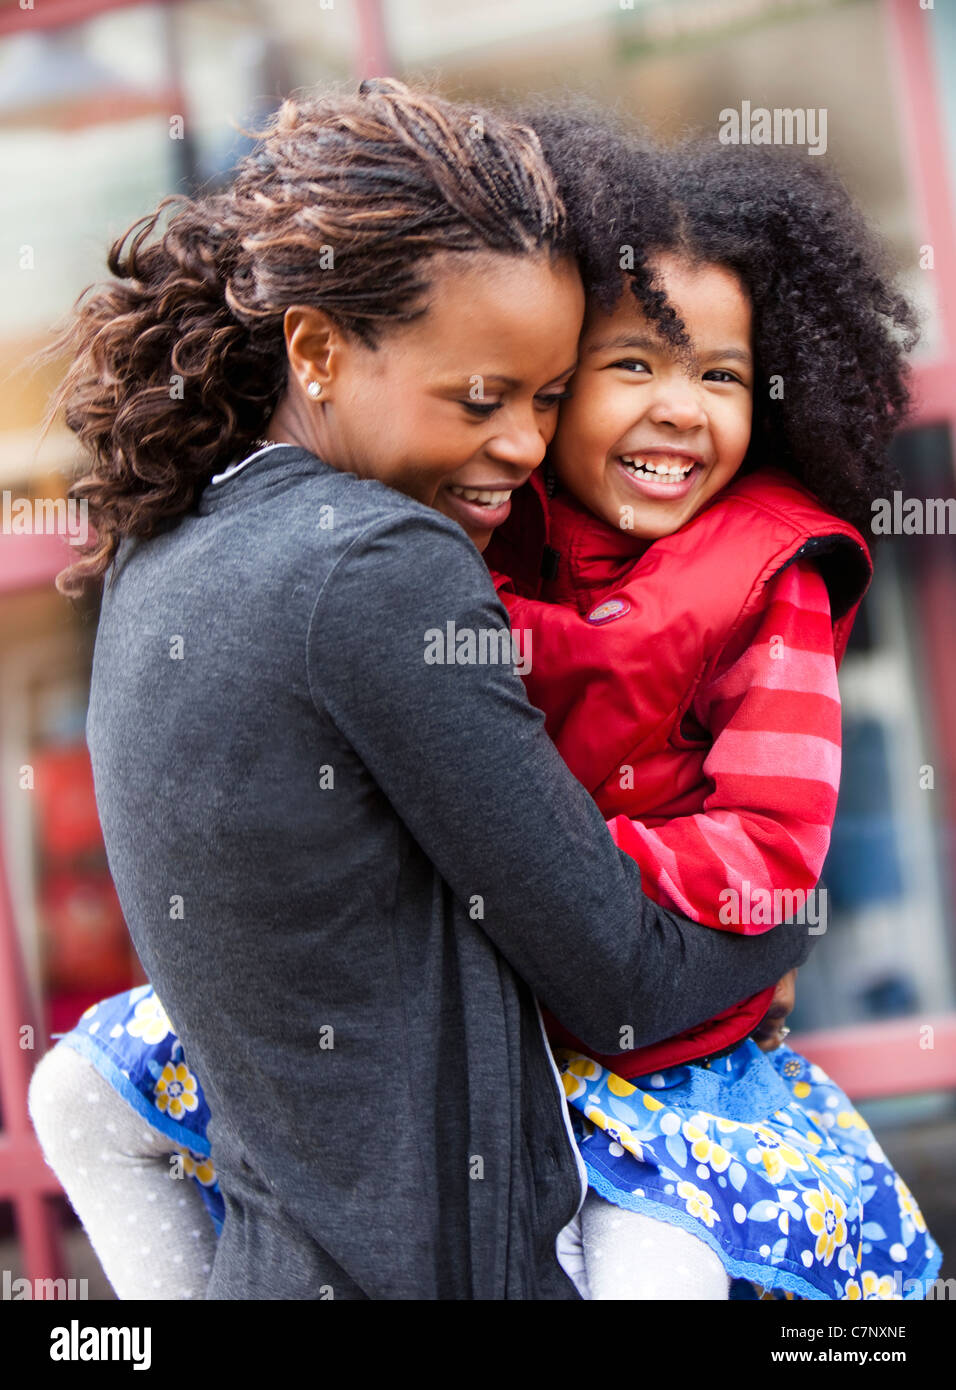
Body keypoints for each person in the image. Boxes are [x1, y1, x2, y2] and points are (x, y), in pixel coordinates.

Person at [27, 80, 813, 1301]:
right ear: (320, 351)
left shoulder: (170, 545)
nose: (519, 443)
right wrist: (782, 927)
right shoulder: (377, 564)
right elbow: (616, 980)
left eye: (548, 396)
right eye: (478, 397)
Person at [482, 110, 942, 1300]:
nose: (681, 408)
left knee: (652, 1278)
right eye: (632, 362)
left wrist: (574, 860)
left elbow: (768, 849)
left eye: (721, 375)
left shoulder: (767, 580)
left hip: (679, 1068)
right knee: (93, 1089)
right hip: (496, 1049)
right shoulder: (485, 535)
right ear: (549, 376)